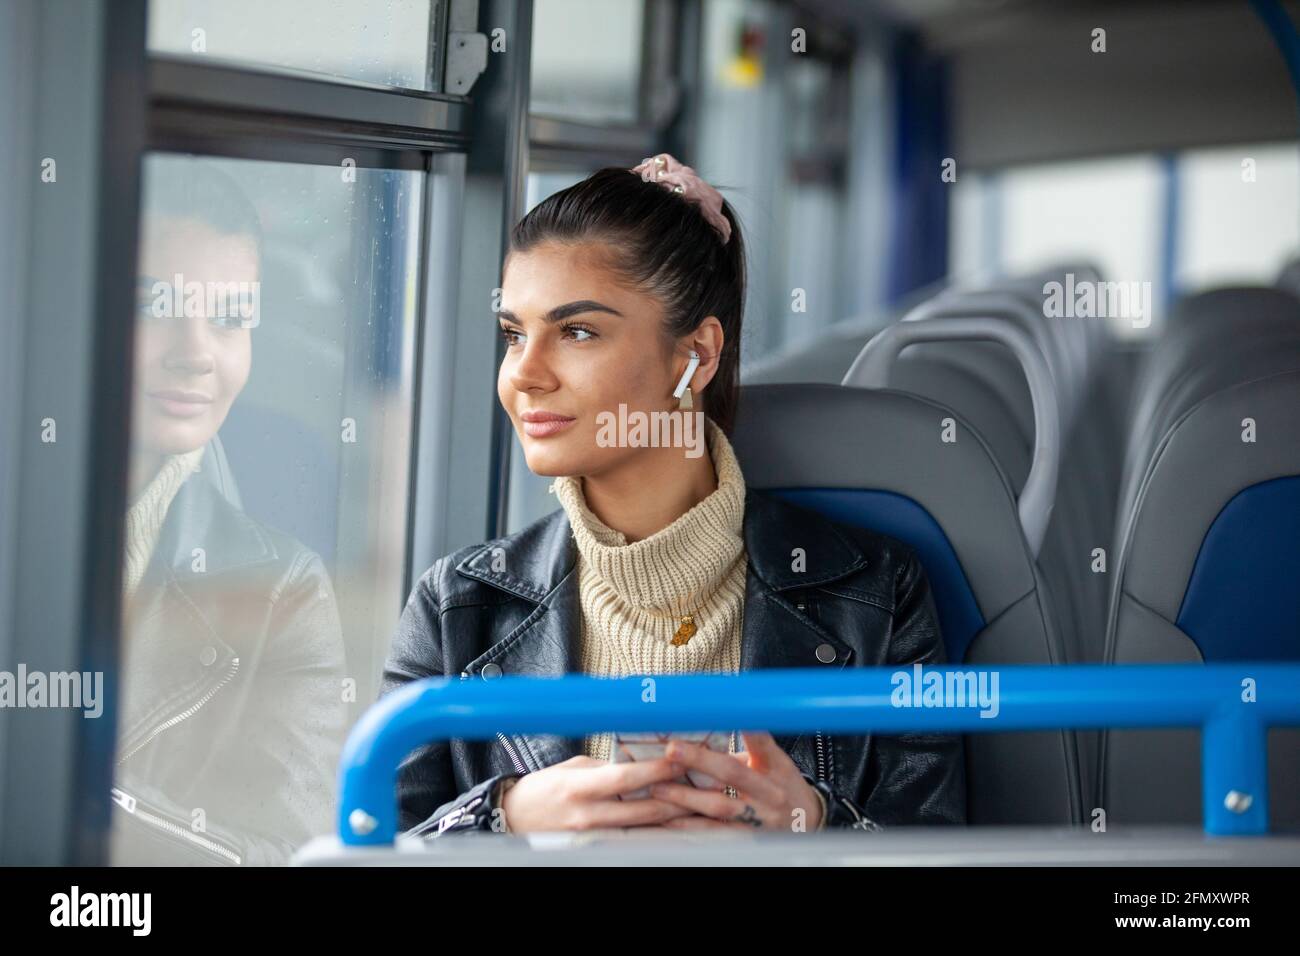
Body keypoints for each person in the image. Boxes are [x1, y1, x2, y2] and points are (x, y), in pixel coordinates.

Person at [380, 154, 965, 836]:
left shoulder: (877, 592)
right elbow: (376, 846)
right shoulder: (457, 605)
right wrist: (503, 817)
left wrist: (810, 822)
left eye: (577, 331)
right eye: (514, 334)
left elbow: (931, 845)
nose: (525, 375)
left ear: (698, 355)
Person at [108, 158, 348, 864]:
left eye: (229, 318)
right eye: (155, 308)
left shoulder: (285, 588)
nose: (197, 356)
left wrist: (75, 788)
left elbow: (283, 855)